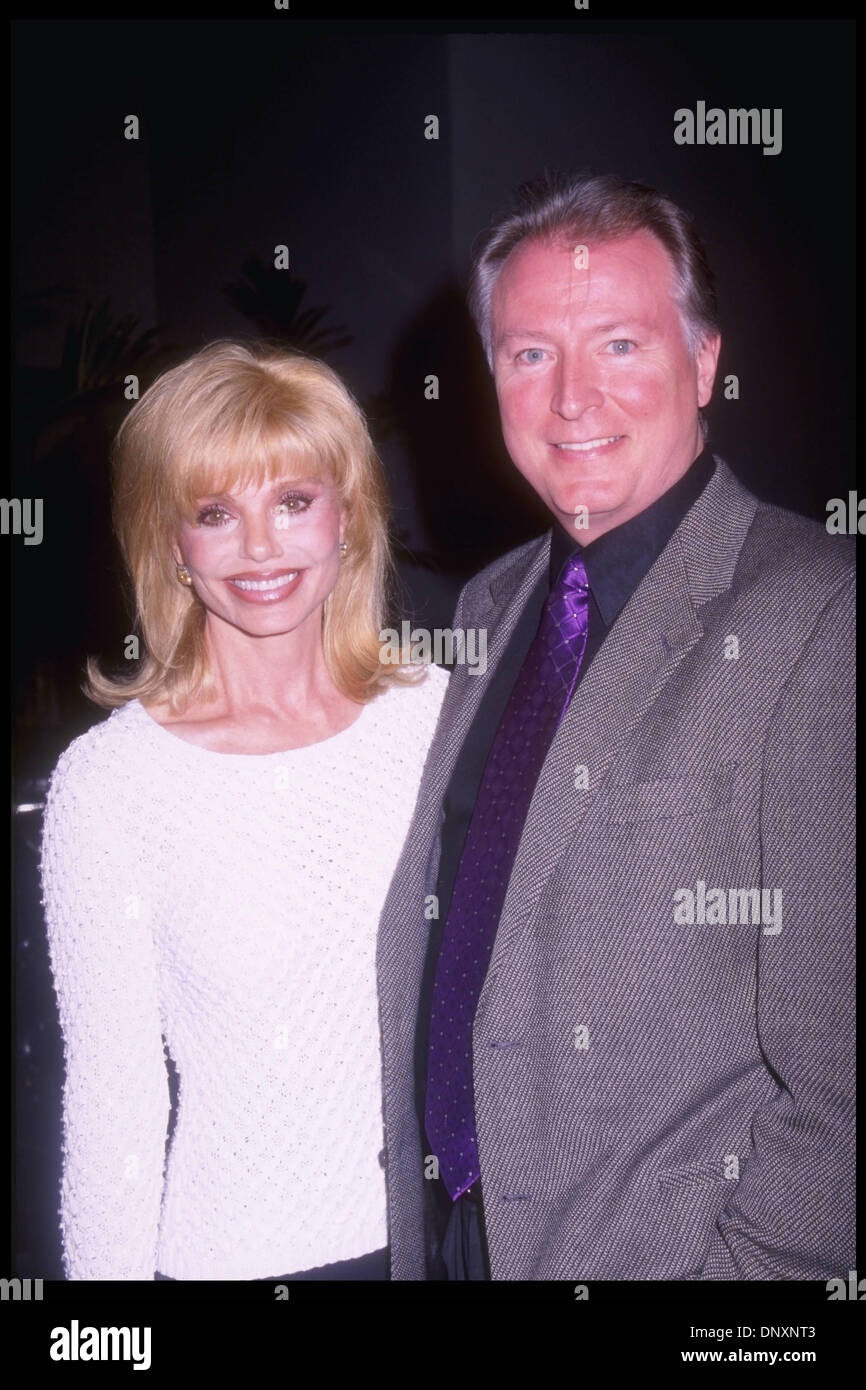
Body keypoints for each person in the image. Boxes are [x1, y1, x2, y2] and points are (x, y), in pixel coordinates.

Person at [376, 171, 855, 1280]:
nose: (570, 402)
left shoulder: (815, 613)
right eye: (530, 354)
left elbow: (840, 1075)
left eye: (620, 346)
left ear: (701, 362)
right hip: (452, 1237)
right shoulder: (489, 604)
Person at [39, 340, 449, 1280]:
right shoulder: (110, 788)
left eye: (293, 502)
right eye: (215, 514)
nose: (259, 547)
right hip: (235, 1260)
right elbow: (115, 1101)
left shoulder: (435, 718)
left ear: (348, 517)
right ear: (171, 545)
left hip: (447, 1246)